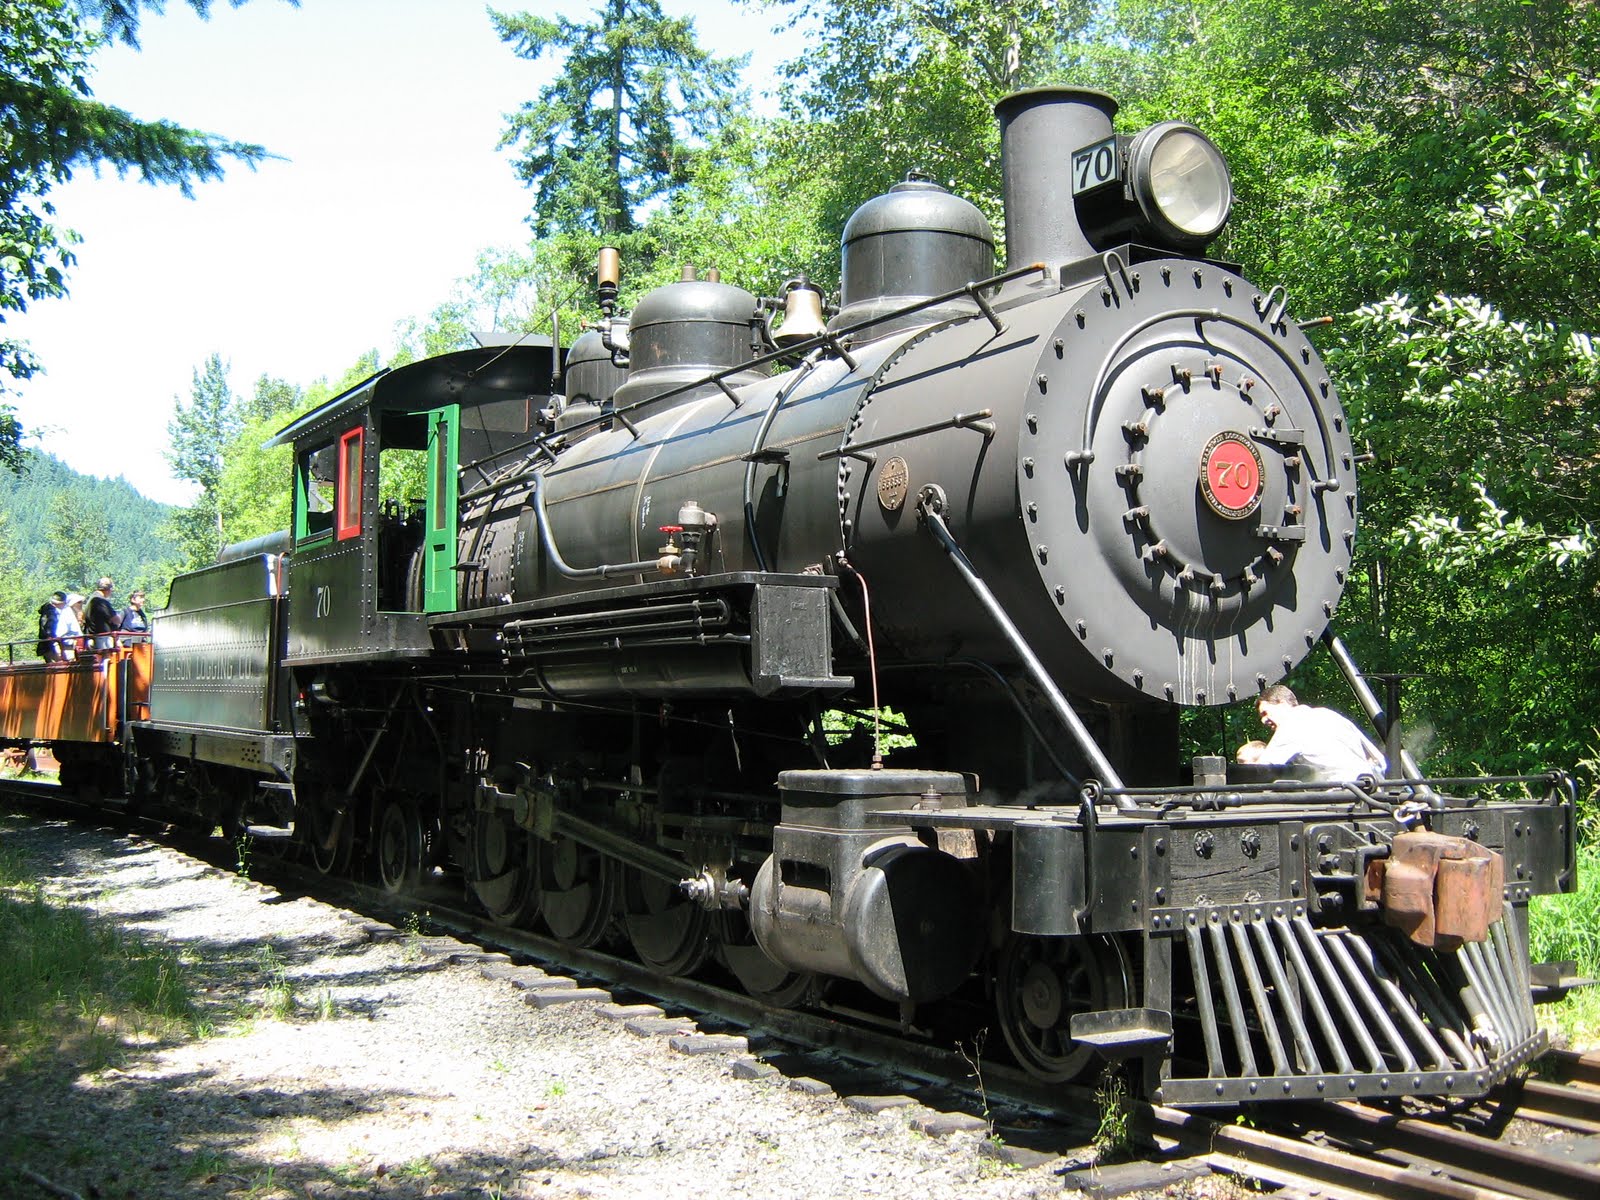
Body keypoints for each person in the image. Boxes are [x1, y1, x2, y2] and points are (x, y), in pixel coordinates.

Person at [1239, 684, 1387, 781]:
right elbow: (1378, 759)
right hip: (1370, 786)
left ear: (1282, 704)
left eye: (1265, 713)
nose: (1264, 720)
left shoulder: (1292, 723)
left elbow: (1262, 769)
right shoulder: (1328, 714)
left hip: (1342, 793)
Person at [85, 577, 122, 650]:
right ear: (109, 589)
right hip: (103, 637)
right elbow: (116, 619)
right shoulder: (101, 601)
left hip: (92, 636)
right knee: (107, 659)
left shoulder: (91, 599)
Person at [36, 591, 67, 660]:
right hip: (48, 643)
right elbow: (49, 627)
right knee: (59, 664)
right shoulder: (51, 612)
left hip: (46, 642)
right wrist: (53, 637)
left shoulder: (47, 610)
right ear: (60, 603)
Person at [57, 593, 86, 660]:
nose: (81, 604)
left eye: (82, 602)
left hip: (77, 648)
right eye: (79, 602)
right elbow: (60, 634)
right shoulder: (67, 614)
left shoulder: (73, 614)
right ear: (72, 604)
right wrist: (73, 641)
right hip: (69, 649)